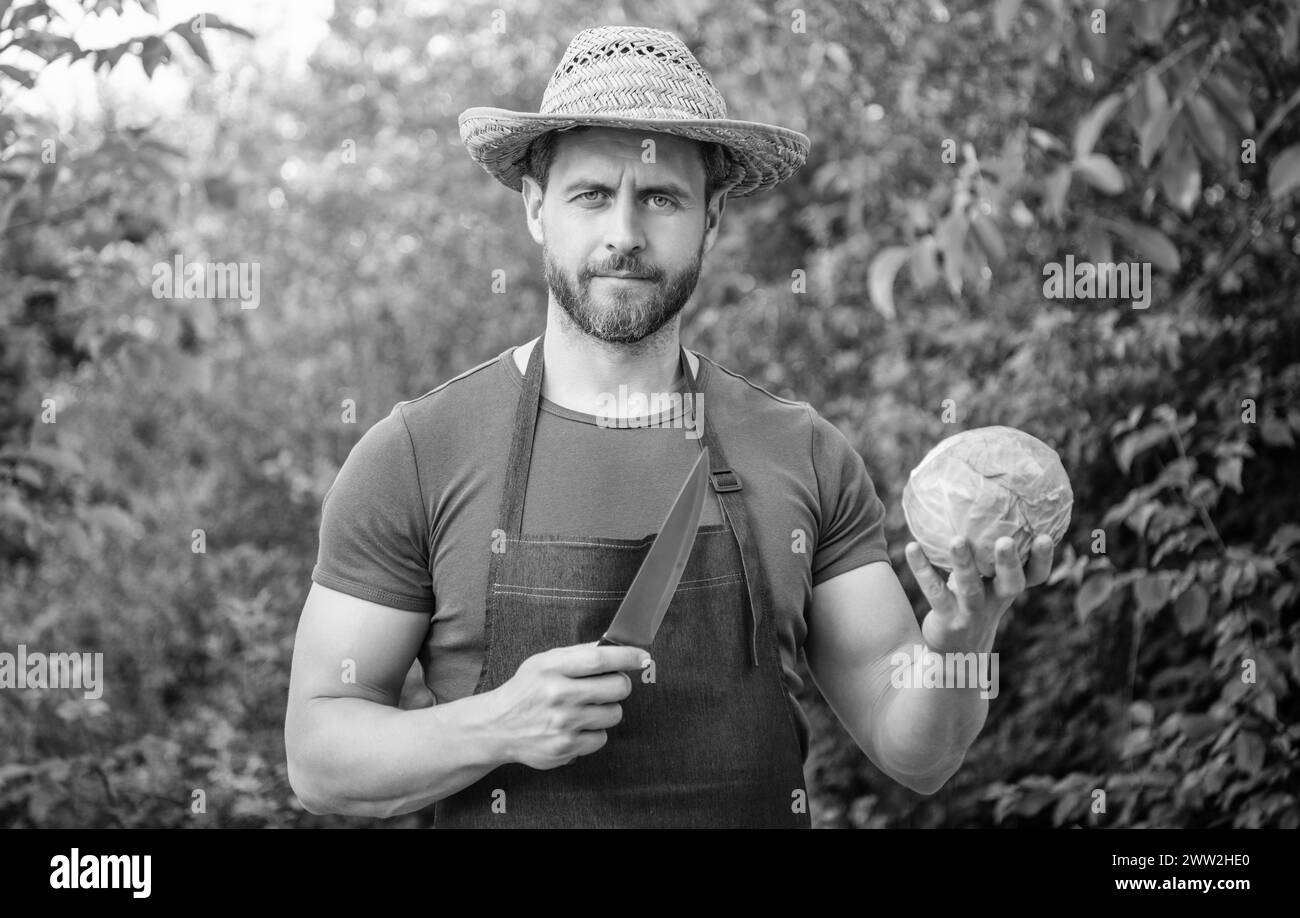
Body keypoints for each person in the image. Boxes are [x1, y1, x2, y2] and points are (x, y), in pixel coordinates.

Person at [284, 25, 1055, 828]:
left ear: (712, 217)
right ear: (536, 208)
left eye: (660, 197)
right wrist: (497, 724)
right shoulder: (418, 454)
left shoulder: (803, 453)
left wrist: (964, 645)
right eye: (591, 195)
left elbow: (918, 756)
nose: (624, 233)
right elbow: (319, 757)